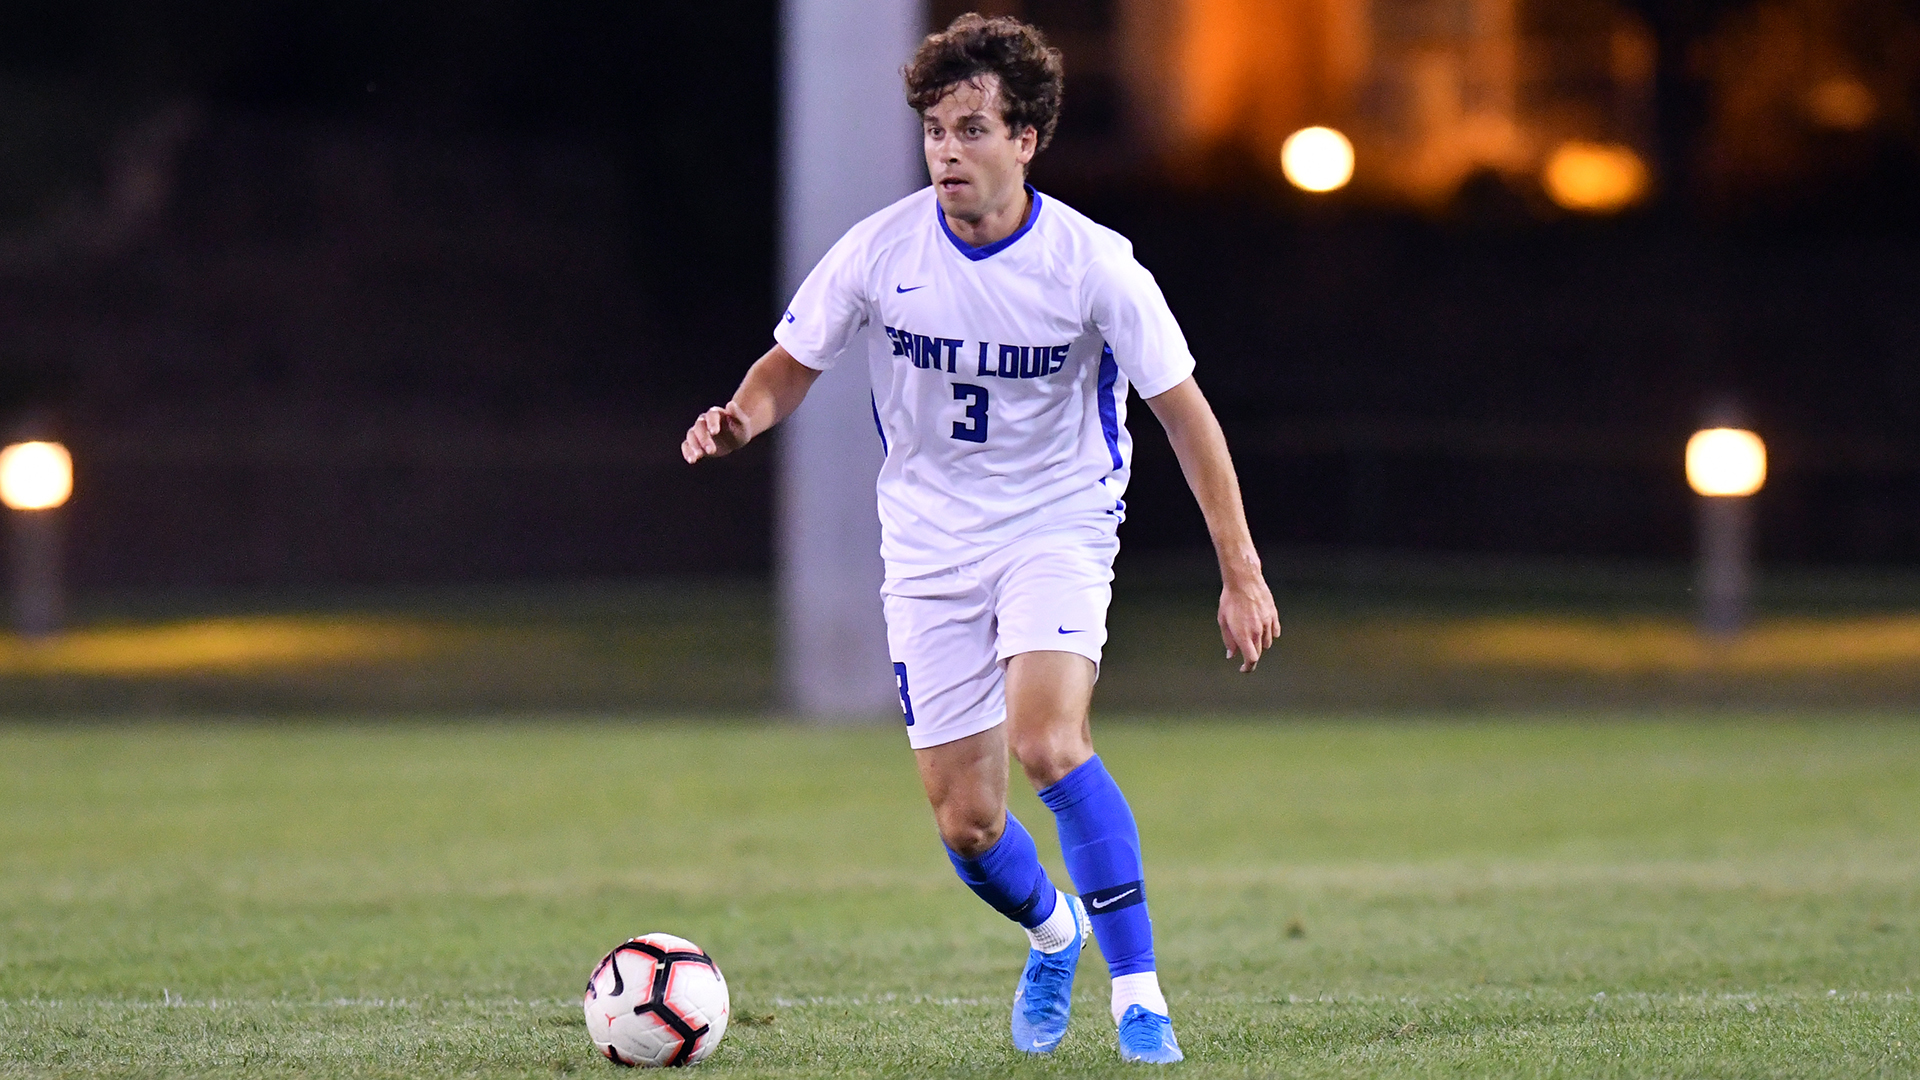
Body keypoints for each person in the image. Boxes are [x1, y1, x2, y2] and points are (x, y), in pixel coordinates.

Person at [681, 13, 1279, 1064]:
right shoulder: (883, 249)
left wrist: (1241, 571)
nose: (946, 152)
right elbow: (790, 364)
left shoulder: (1095, 266)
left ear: (1026, 139)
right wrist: (738, 419)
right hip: (925, 546)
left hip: (1057, 523)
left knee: (1047, 739)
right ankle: (1056, 932)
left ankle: (1140, 997)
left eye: (969, 129)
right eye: (934, 131)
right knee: (965, 822)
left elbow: (1187, 415)